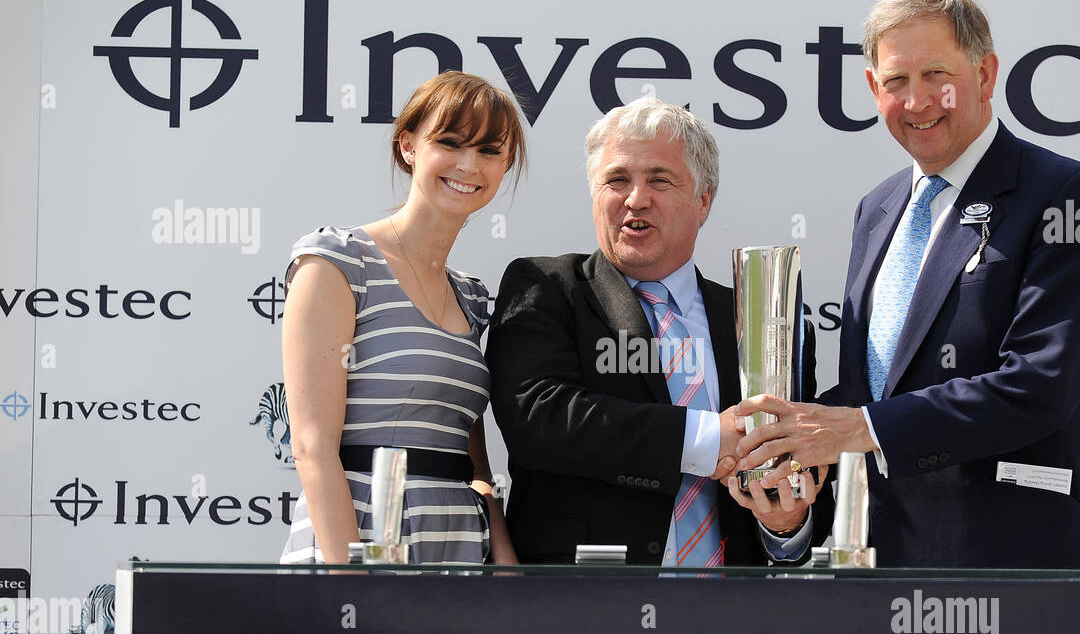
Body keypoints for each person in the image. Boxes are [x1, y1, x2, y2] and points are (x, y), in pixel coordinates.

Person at [735, 0, 1080, 569]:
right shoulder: (877, 208)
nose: (917, 102)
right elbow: (877, 391)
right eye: (896, 82)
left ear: (986, 75)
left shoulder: (1069, 194)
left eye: (937, 76)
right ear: (872, 88)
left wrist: (855, 427)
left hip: (1012, 568)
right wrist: (787, 441)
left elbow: (1040, 386)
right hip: (879, 562)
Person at [486, 97, 830, 567]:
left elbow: (802, 468)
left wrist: (785, 526)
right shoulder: (547, 287)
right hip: (583, 607)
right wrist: (714, 438)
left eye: (659, 180)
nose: (635, 198)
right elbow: (539, 419)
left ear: (703, 199)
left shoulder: (763, 322)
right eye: (617, 180)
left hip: (732, 616)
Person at [280, 71, 525, 565]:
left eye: (489, 151)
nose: (468, 164)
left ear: (505, 167)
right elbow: (311, 447)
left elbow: (474, 460)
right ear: (408, 145)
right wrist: (356, 587)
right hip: (357, 542)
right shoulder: (337, 262)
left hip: (456, 544)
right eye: (450, 142)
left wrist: (503, 560)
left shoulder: (473, 298)